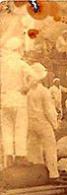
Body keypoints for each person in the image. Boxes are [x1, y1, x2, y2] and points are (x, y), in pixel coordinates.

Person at [1, 37, 35, 168]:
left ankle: (8, 157)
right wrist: (26, 87)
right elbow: (35, 76)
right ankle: (20, 156)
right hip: (18, 99)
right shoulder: (20, 63)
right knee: (20, 128)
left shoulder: (2, 64)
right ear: (17, 50)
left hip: (5, 100)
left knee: (7, 129)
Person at [25, 63, 59, 180]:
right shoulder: (43, 91)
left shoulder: (26, 91)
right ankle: (53, 174)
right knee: (50, 147)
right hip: (42, 122)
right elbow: (49, 110)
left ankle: (37, 174)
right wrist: (55, 125)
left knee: (34, 149)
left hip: (30, 123)